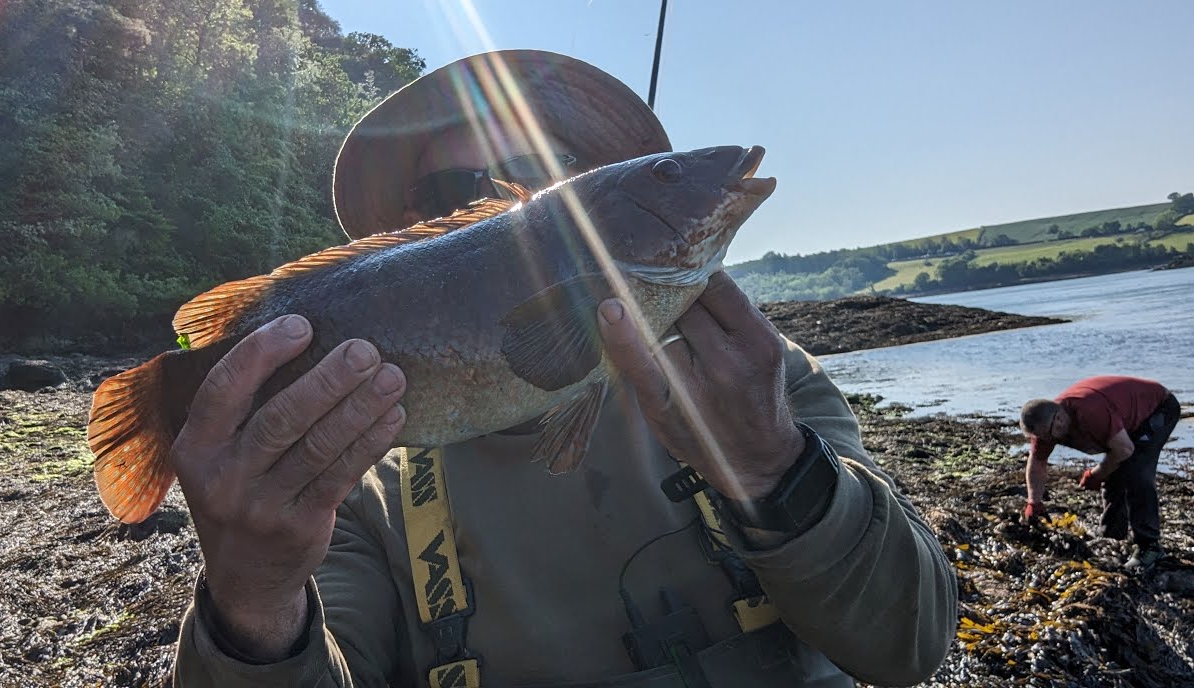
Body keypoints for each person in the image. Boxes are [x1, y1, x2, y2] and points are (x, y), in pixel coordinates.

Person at [168, 49, 957, 687]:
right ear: (418, 232)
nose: (505, 197)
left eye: (548, 166)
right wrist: (253, 598)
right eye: (453, 193)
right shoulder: (347, 485)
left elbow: (910, 647)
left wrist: (775, 465)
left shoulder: (759, 385)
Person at [1019, 375, 1182, 570]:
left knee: (1136, 472)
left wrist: (1096, 474)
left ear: (1060, 418)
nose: (1046, 440)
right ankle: (1112, 536)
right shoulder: (1045, 426)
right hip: (1123, 417)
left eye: (1047, 435)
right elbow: (1037, 462)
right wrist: (1033, 501)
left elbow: (1124, 450)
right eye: (1040, 437)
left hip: (1159, 408)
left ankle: (1150, 547)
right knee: (1115, 472)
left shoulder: (1090, 413)